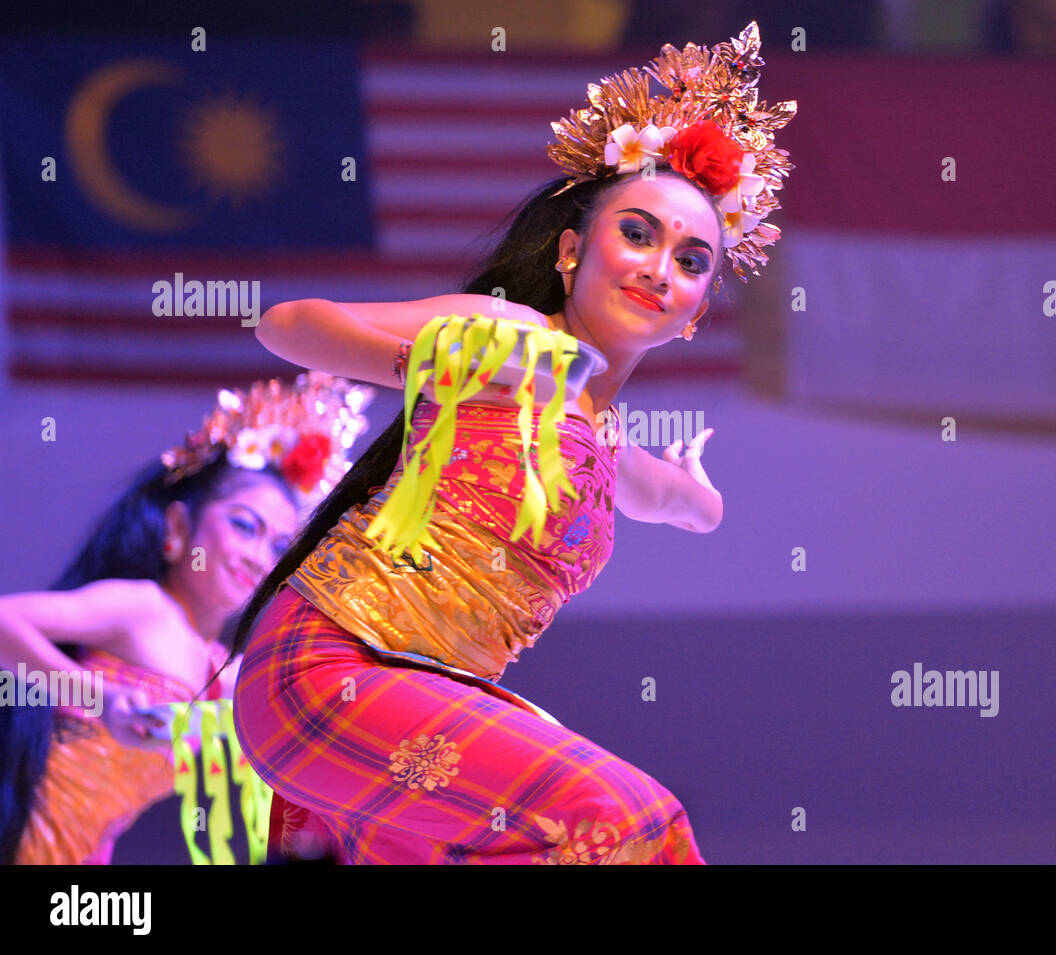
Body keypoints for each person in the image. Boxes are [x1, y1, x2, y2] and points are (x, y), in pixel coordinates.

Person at [229, 20, 796, 864]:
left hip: (426, 703)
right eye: (637, 234)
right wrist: (440, 362)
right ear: (572, 251)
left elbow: (668, 499)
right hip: (334, 666)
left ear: (696, 315)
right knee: (632, 825)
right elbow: (285, 327)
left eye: (691, 260)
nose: (657, 268)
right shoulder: (502, 333)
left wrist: (697, 495)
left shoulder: (604, 440)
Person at [0, 373, 373, 864]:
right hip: (31, 835)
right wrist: (101, 699)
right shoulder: (144, 609)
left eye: (280, 547)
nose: (259, 557)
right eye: (244, 526)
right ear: (178, 527)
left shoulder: (223, 670)